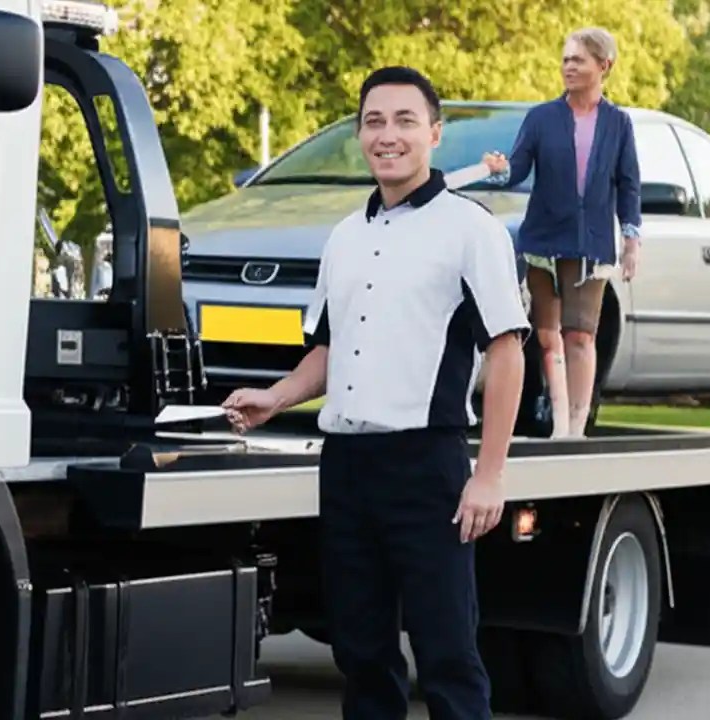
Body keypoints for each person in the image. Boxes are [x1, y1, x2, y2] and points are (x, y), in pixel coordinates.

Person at [222, 66, 530, 719]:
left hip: (429, 469)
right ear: (361, 134)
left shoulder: (471, 230)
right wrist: (277, 395)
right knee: (361, 656)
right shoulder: (344, 236)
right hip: (347, 470)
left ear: (435, 134)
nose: (387, 135)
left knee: (447, 654)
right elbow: (330, 349)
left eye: (404, 121)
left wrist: (491, 475)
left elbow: (507, 350)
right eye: (373, 121)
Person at [453, 26, 641, 438]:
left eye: (578, 60)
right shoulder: (541, 118)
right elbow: (518, 169)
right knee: (548, 337)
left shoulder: (618, 124)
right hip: (541, 241)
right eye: (565, 59)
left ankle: (577, 424)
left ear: (603, 66)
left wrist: (631, 241)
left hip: (590, 246)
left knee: (580, 336)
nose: (568, 67)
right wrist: (500, 170)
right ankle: (559, 425)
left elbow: (628, 184)